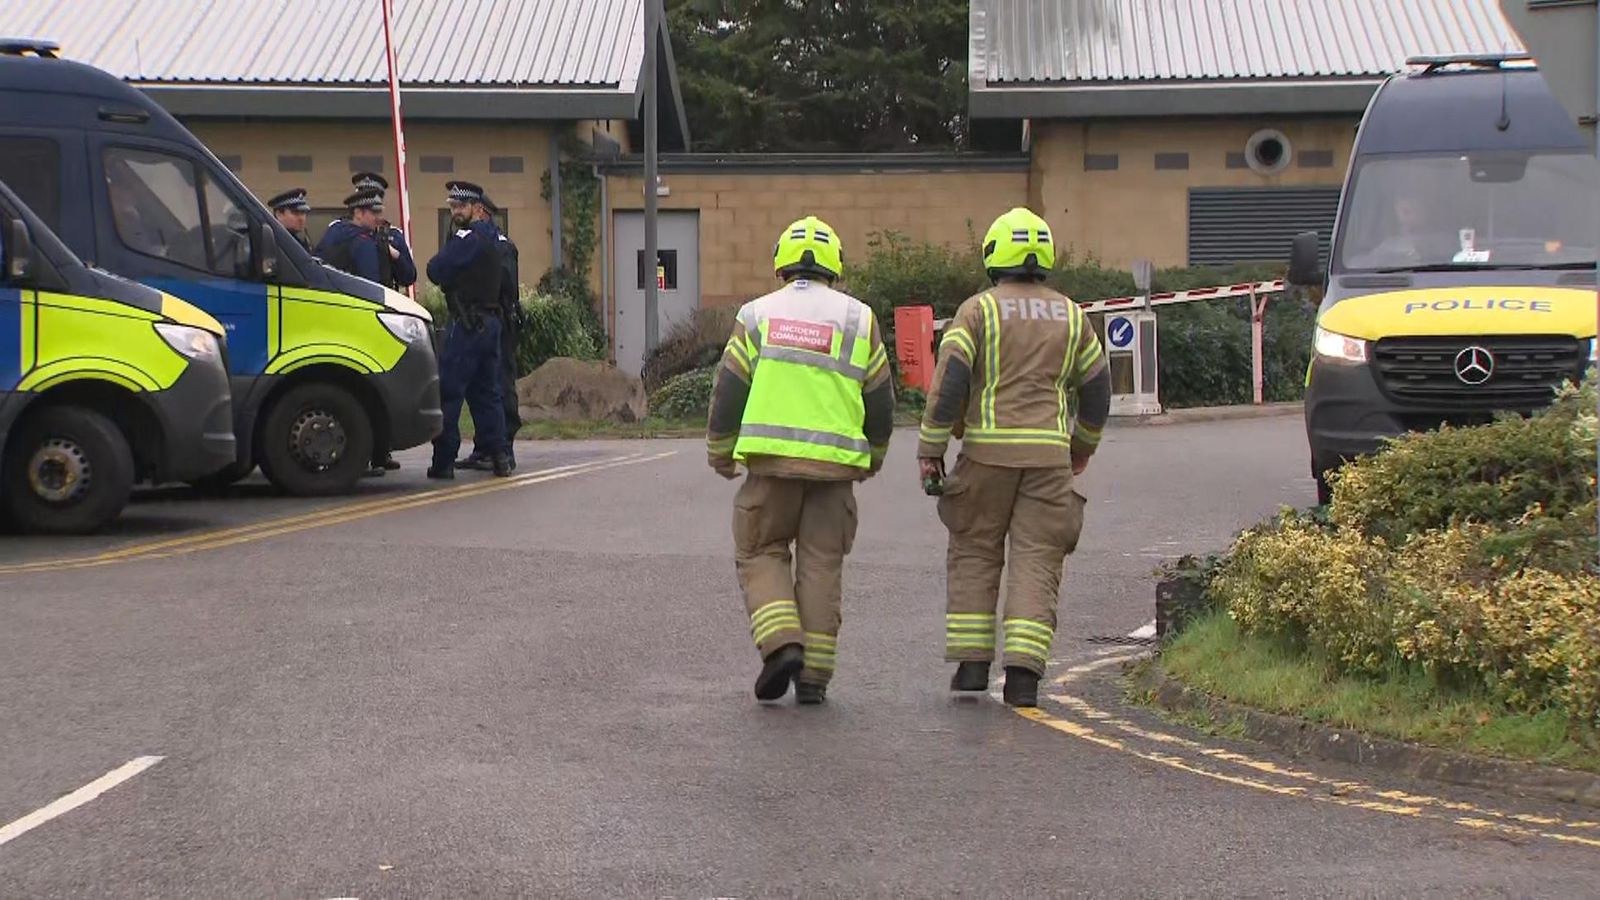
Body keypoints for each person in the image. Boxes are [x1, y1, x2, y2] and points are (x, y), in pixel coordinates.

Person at [916, 207, 1111, 708]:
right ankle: (1023, 678)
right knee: (1037, 559)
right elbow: (1098, 389)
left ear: (992, 256)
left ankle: (973, 667)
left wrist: (931, 450)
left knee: (975, 551)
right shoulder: (1072, 315)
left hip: (985, 456)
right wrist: (1081, 447)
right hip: (1049, 460)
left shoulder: (977, 311)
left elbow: (950, 383)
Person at [704, 215, 895, 705]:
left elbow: (730, 389)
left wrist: (721, 449)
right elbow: (880, 398)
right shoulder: (859, 318)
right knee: (821, 563)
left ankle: (782, 643)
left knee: (760, 549)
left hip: (770, 464)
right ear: (835, 264)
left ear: (781, 264)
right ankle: (814, 677)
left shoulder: (756, 315)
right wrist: (874, 454)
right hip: (834, 471)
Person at [426, 181, 510, 480]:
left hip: (467, 324)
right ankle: (500, 456)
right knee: (488, 393)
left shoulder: (467, 238)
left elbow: (435, 269)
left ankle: (443, 462)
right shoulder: (495, 237)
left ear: (477, 208)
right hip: (490, 324)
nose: (455, 211)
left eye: (461, 206)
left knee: (449, 392)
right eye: (452, 206)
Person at [457, 194, 524, 472]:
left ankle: (504, 449)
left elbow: (506, 285)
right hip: (475, 321)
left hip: (498, 321)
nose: (456, 212)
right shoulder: (468, 241)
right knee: (477, 387)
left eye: (461, 207)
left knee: (500, 386)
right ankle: (484, 446)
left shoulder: (501, 246)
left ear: (481, 212)